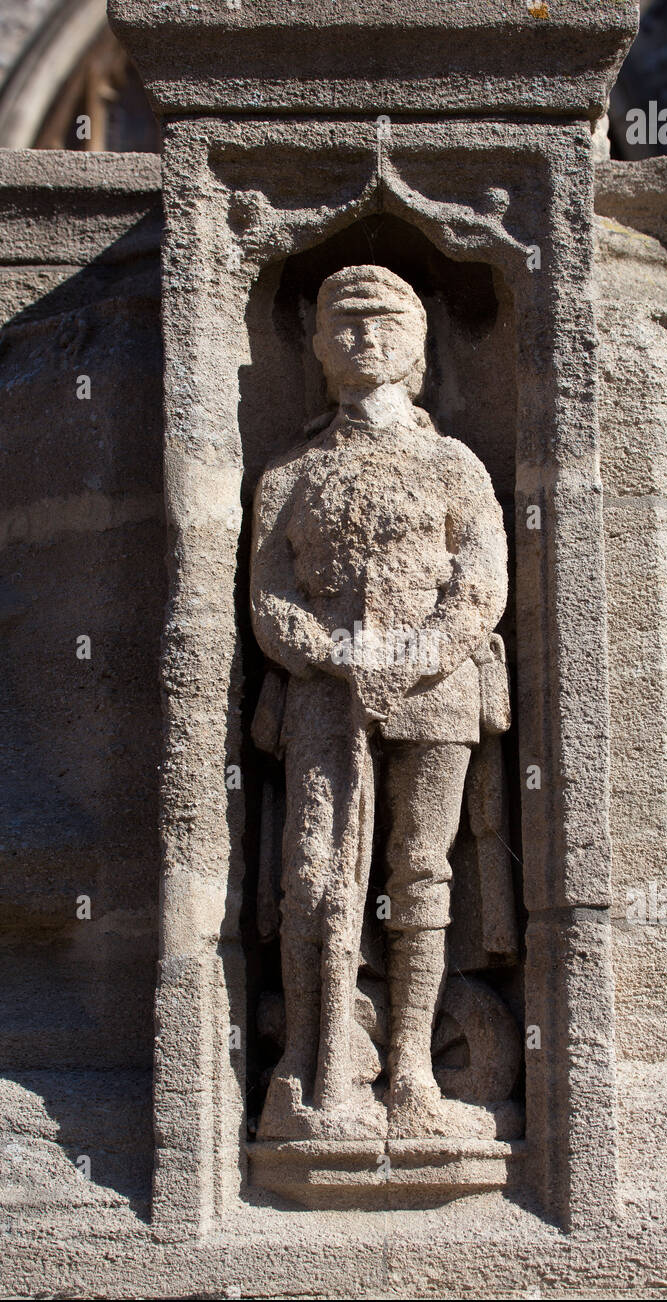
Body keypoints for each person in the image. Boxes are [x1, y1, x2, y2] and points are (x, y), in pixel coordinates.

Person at [250, 264, 509, 1139]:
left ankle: (410, 1071)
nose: (366, 336)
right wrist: (333, 655)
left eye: (386, 321)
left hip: (436, 693)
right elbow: (268, 597)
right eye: (346, 323)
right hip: (325, 696)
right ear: (318, 344)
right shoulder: (290, 473)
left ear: (417, 344)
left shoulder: (454, 464)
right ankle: (313, 1063)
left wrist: (413, 660)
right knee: (314, 875)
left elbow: (481, 584)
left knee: (420, 872)